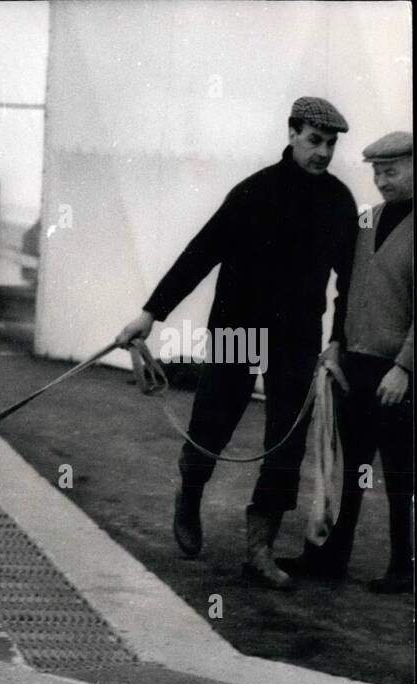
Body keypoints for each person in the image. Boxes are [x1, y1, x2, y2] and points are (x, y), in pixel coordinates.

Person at [114, 97, 358, 589]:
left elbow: (348, 281)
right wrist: (151, 313)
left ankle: (260, 549)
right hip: (238, 329)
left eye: (331, 144)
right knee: (215, 419)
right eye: (315, 140)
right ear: (291, 134)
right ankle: (190, 492)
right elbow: (200, 254)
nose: (323, 152)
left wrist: (337, 340)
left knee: (287, 439)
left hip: (297, 338)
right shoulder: (254, 192)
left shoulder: (338, 202)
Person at [280, 131, 413, 593]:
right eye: (377, 172)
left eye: (392, 171)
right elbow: (347, 291)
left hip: (398, 374)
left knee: (400, 473)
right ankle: (329, 558)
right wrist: (335, 343)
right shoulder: (366, 221)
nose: (382, 181)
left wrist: (405, 368)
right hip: (354, 364)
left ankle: (404, 567)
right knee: (347, 468)